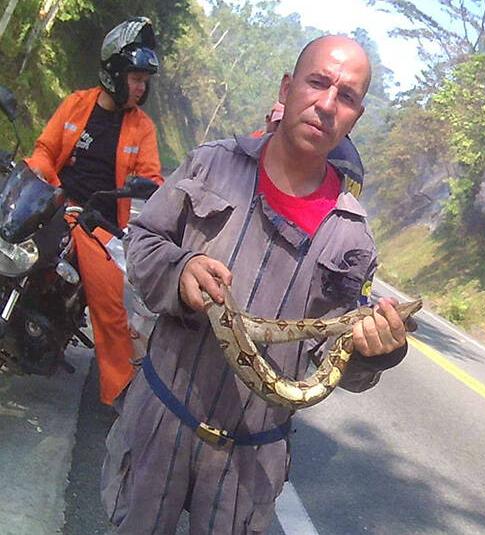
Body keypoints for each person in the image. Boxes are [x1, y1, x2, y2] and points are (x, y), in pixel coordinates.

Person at [100, 35, 409, 534]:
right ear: (288, 88)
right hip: (158, 421)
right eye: (317, 82)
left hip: (248, 462)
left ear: (356, 117)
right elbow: (143, 242)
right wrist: (181, 272)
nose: (327, 104)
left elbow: (332, 359)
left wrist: (375, 354)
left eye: (346, 97)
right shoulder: (212, 164)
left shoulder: (352, 238)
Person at [24, 17, 164, 405]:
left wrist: (149, 188)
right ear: (114, 74)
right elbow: (45, 151)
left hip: (96, 222)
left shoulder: (143, 128)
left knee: (109, 298)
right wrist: (46, 184)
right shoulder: (76, 104)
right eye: (135, 78)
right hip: (50, 203)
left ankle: (119, 391)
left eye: (144, 80)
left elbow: (153, 178)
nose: (141, 87)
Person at [255, 94, 366, 198]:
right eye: (277, 123)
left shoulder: (320, 148)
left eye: (281, 123)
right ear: (268, 120)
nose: (278, 129)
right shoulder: (354, 160)